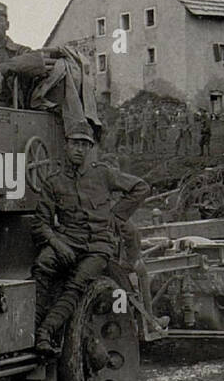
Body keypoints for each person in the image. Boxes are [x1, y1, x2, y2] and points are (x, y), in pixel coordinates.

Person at [30, 127, 149, 354]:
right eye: (75, 144)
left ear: (90, 149)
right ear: (66, 145)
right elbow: (41, 224)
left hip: (98, 246)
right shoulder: (54, 181)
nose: (79, 149)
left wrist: (116, 215)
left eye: (85, 145)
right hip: (68, 241)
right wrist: (58, 244)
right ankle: (29, 328)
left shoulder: (103, 174)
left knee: (78, 282)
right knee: (43, 263)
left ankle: (45, 332)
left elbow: (140, 187)